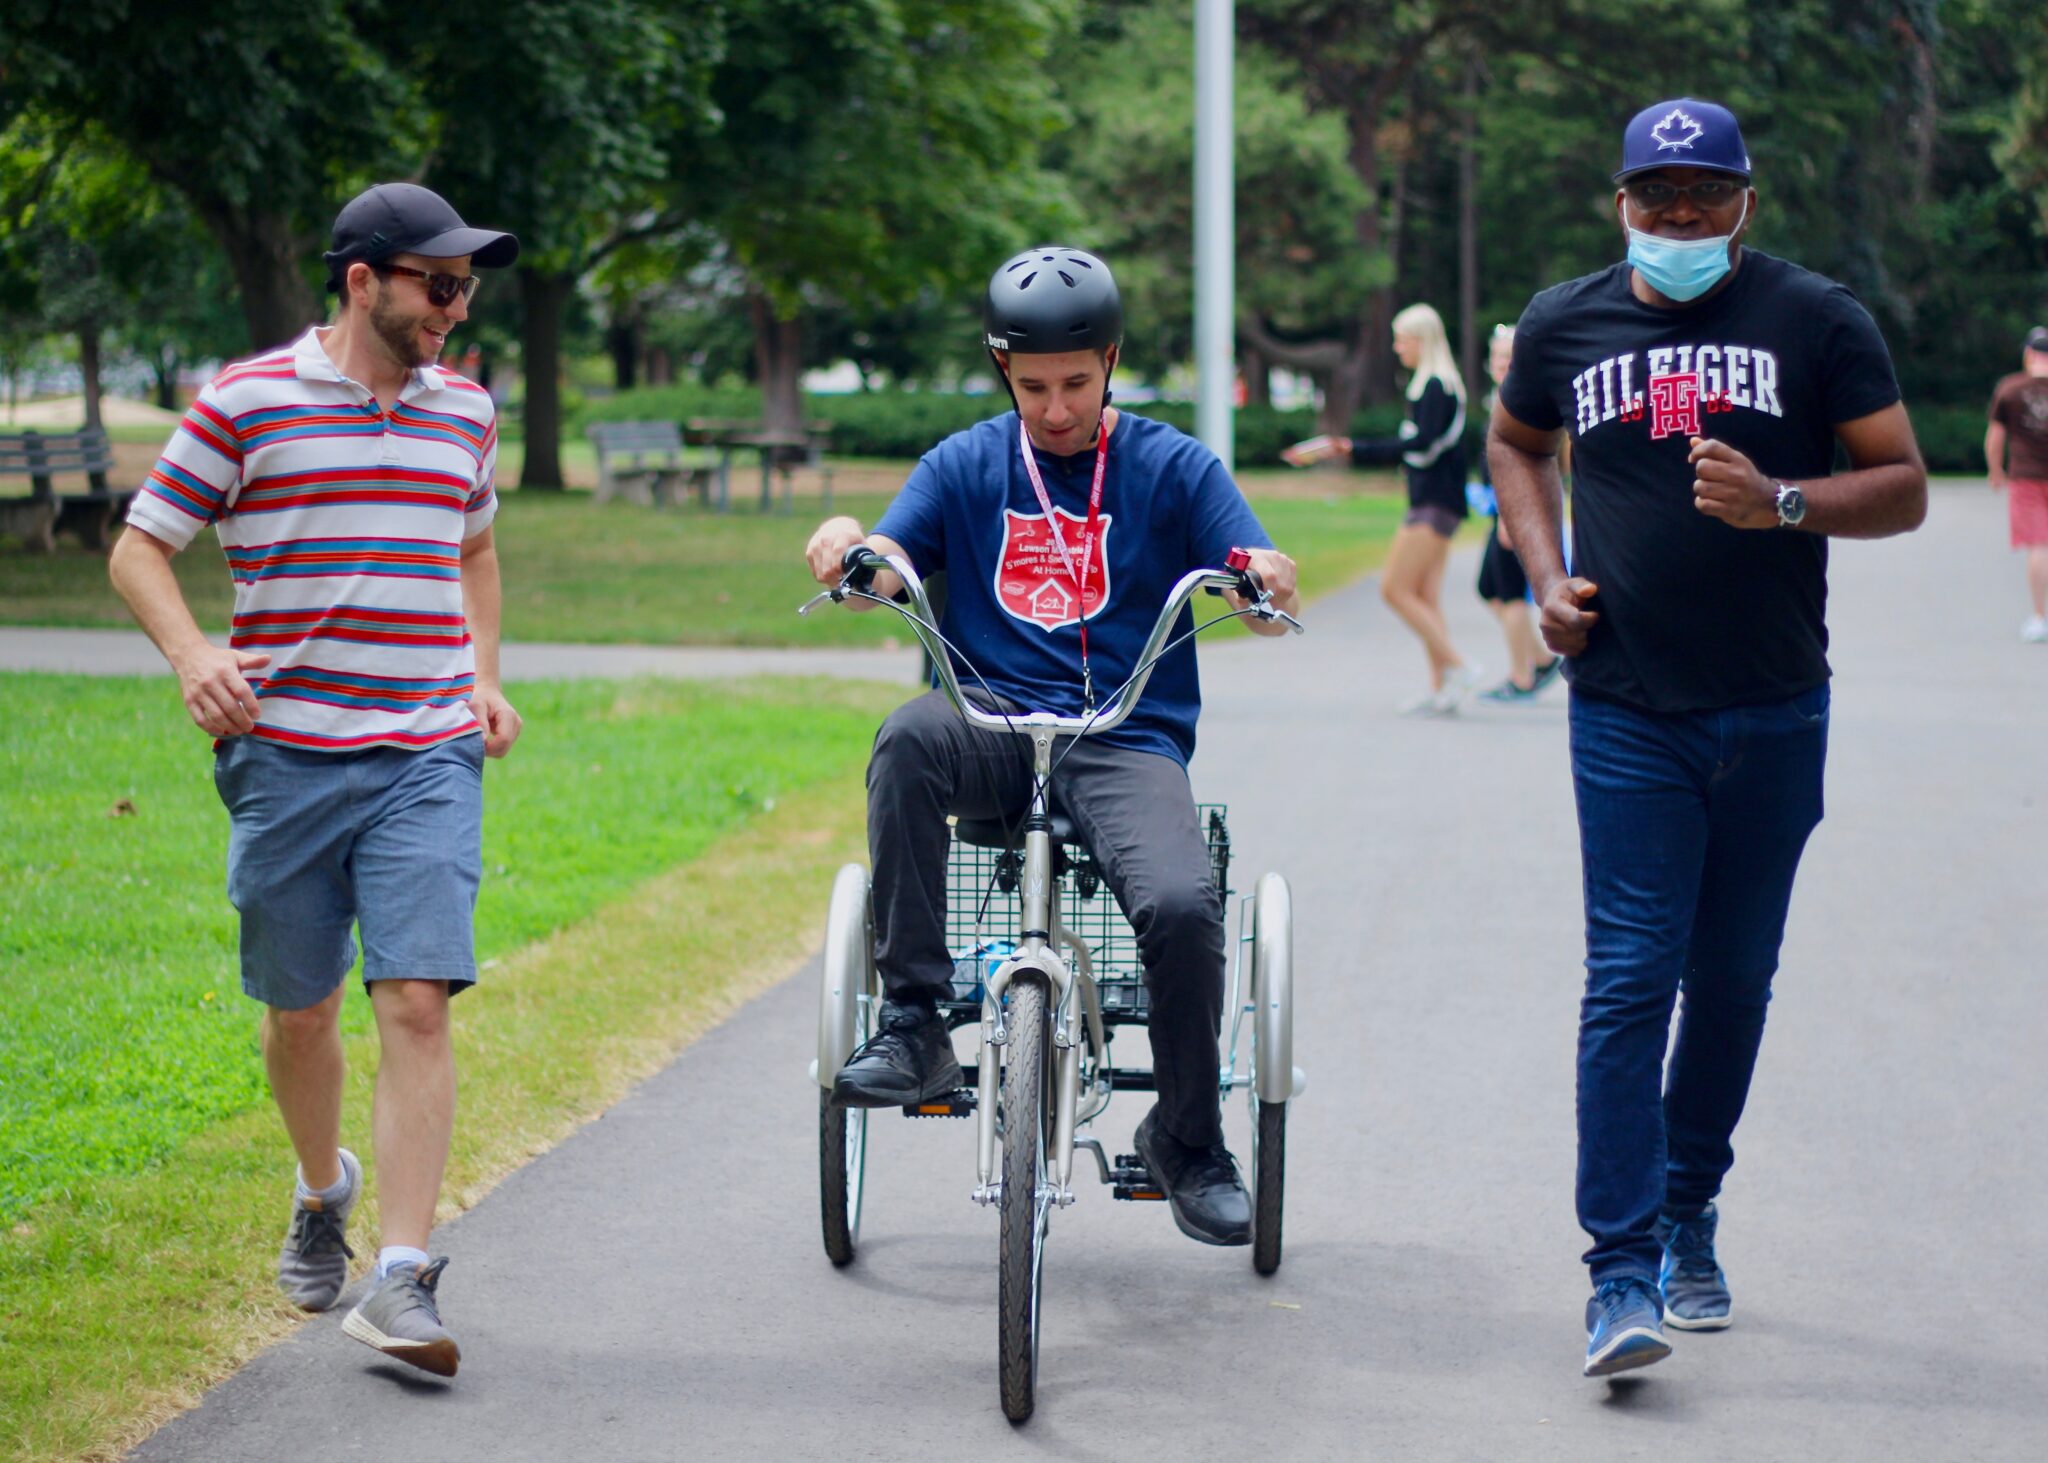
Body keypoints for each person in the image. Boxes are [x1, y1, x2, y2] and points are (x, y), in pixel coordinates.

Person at [1487, 99, 1926, 1378]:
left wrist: (1780, 500)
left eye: (1702, 194)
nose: (1677, 216)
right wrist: (1543, 576)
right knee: (1628, 979)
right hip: (1626, 703)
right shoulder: (1563, 321)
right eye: (1654, 194)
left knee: (1730, 982)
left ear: (1746, 199)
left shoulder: (1815, 318)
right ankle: (1618, 1271)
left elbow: (1901, 484)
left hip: (1776, 705)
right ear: (1618, 200)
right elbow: (1516, 446)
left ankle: (1687, 1207)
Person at [108, 183, 523, 1378]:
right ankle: (318, 1185)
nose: (455, 306)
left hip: (426, 748)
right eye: (437, 284)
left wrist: (482, 676)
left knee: (417, 998)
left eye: (465, 287)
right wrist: (193, 654)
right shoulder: (246, 401)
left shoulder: (465, 412)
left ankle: (401, 1274)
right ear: (362, 280)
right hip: (284, 750)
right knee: (300, 1007)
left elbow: (476, 549)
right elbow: (140, 547)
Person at [803, 246, 1300, 1245]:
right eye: (1033, 387)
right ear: (1003, 370)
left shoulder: (1174, 466)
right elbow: (891, 561)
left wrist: (1264, 578)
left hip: (1122, 735)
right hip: (990, 721)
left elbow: (1251, 570)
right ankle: (913, 1022)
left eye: (1076, 382)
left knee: (1180, 902)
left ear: (1110, 360)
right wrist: (853, 548)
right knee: (905, 737)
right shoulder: (965, 463)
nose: (1057, 407)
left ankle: (1187, 1137)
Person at [1284, 303, 1478, 713]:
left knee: (1394, 589)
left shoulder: (1437, 388)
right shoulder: (1432, 386)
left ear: (1422, 341)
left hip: (1434, 505)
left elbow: (1420, 444)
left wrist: (1352, 448)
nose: (1396, 347)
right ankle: (1442, 687)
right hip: (1435, 502)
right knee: (1425, 595)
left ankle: (1459, 667)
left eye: (1402, 340)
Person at [1473, 324, 1563, 702]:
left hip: (1512, 514)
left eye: (1508, 357)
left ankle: (1521, 677)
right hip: (1499, 512)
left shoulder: (1523, 402)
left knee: (1509, 595)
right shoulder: (1499, 398)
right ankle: (1542, 659)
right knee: (1488, 589)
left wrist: (1512, 521)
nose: (1501, 363)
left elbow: (1529, 464)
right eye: (1496, 356)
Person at [1985, 325, 2048, 642]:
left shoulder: (2010, 389)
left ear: (2027, 354)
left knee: (2039, 546)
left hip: (2025, 478)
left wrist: (1995, 470)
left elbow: (1995, 436)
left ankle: (2040, 617)